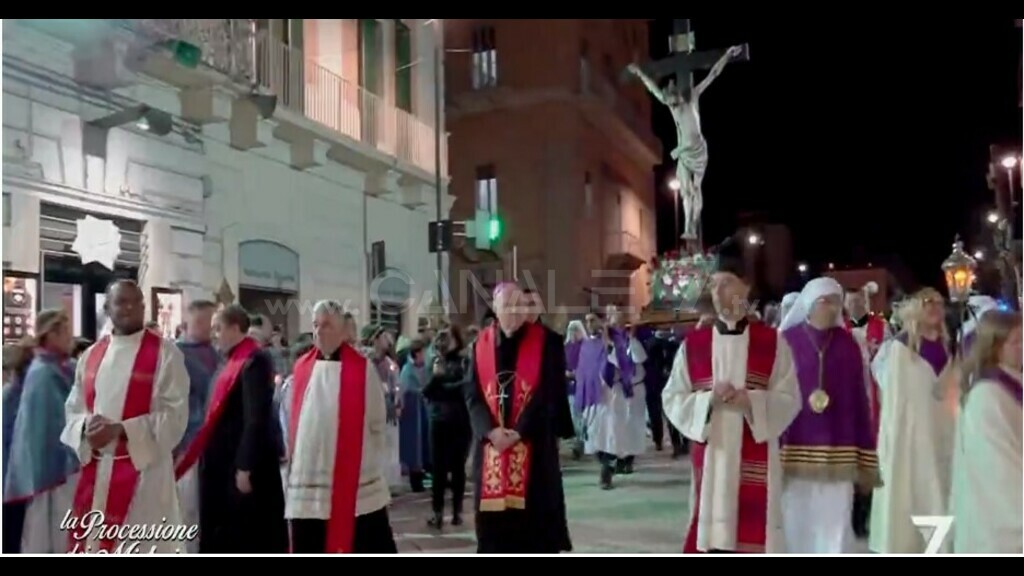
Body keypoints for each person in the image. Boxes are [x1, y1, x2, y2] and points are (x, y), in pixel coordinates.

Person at [662, 238, 801, 553]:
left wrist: (751, 403)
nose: (718, 292)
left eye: (726, 283)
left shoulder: (772, 343)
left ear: (746, 288)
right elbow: (672, 397)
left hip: (756, 457)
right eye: (714, 285)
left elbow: (790, 397)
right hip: (713, 457)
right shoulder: (694, 344)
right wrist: (707, 401)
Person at [60, 280, 190, 553]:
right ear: (107, 308)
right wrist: (86, 426)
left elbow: (175, 416)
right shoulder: (92, 355)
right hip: (98, 473)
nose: (130, 307)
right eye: (121, 302)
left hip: (145, 474)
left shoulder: (165, 354)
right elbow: (74, 407)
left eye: (137, 302)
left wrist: (122, 430)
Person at [464, 283, 572, 553]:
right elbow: (473, 395)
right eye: (506, 305)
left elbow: (549, 394)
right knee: (494, 537)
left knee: (535, 534)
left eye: (518, 305)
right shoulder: (479, 346)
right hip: (492, 451)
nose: (513, 311)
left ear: (527, 310)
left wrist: (519, 432)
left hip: (533, 450)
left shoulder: (547, 342)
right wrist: (490, 431)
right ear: (495, 309)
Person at [285, 300, 397, 554]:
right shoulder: (302, 367)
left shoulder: (362, 369)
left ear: (342, 330)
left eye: (326, 325)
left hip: (356, 483)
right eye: (315, 325)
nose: (319, 331)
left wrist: (367, 461)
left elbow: (377, 421)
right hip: (309, 484)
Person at [777, 278, 880, 553]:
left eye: (836, 302)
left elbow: (860, 397)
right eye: (826, 302)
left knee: (836, 520)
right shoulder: (786, 341)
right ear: (810, 304)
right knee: (796, 516)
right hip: (794, 445)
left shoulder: (849, 344)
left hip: (840, 447)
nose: (832, 308)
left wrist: (865, 448)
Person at [175, 305, 287, 553]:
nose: (214, 334)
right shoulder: (228, 359)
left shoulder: (254, 361)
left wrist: (245, 466)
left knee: (247, 534)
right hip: (221, 462)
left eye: (218, 328)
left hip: (240, 463)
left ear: (236, 328)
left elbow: (255, 418)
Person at [869, 287, 957, 554]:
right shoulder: (901, 347)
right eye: (927, 302)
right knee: (912, 486)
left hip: (944, 433)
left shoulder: (949, 346)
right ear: (916, 307)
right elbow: (897, 402)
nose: (934, 308)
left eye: (939, 303)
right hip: (910, 436)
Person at [3, 311, 79, 553]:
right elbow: (52, 426)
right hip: (51, 473)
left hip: (59, 470)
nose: (71, 338)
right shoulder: (44, 374)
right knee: (48, 536)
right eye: (66, 332)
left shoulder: (57, 368)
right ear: (52, 334)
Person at [950, 309, 1022, 553]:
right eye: (1016, 341)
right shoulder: (988, 395)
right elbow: (999, 467)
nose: (1023, 346)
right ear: (995, 346)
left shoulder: (1014, 382)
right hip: (998, 521)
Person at [174, 299, 220, 552]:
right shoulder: (176, 354)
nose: (207, 328)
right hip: (188, 444)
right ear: (188, 322)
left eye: (211, 322)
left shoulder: (218, 353)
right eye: (201, 322)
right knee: (188, 511)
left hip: (215, 443)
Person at [584, 305, 647, 485]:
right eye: (610, 314)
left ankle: (608, 471)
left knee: (613, 434)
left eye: (616, 314)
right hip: (598, 395)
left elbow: (631, 361)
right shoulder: (593, 342)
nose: (614, 318)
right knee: (596, 434)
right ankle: (607, 464)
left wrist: (612, 346)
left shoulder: (623, 340)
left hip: (618, 393)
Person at [422, 328, 472, 529]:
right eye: (440, 338)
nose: (444, 341)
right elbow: (426, 391)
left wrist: (443, 385)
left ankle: (457, 511)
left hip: (460, 420)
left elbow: (466, 387)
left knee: (458, 468)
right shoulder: (434, 361)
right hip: (438, 420)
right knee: (439, 469)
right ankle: (437, 512)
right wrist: (437, 378)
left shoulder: (464, 361)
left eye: (448, 337)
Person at [398, 338, 428, 493]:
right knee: (414, 447)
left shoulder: (425, 367)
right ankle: (415, 479)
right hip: (412, 411)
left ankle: (422, 474)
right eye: (423, 352)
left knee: (423, 446)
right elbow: (405, 389)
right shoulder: (408, 370)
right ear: (417, 353)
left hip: (423, 410)